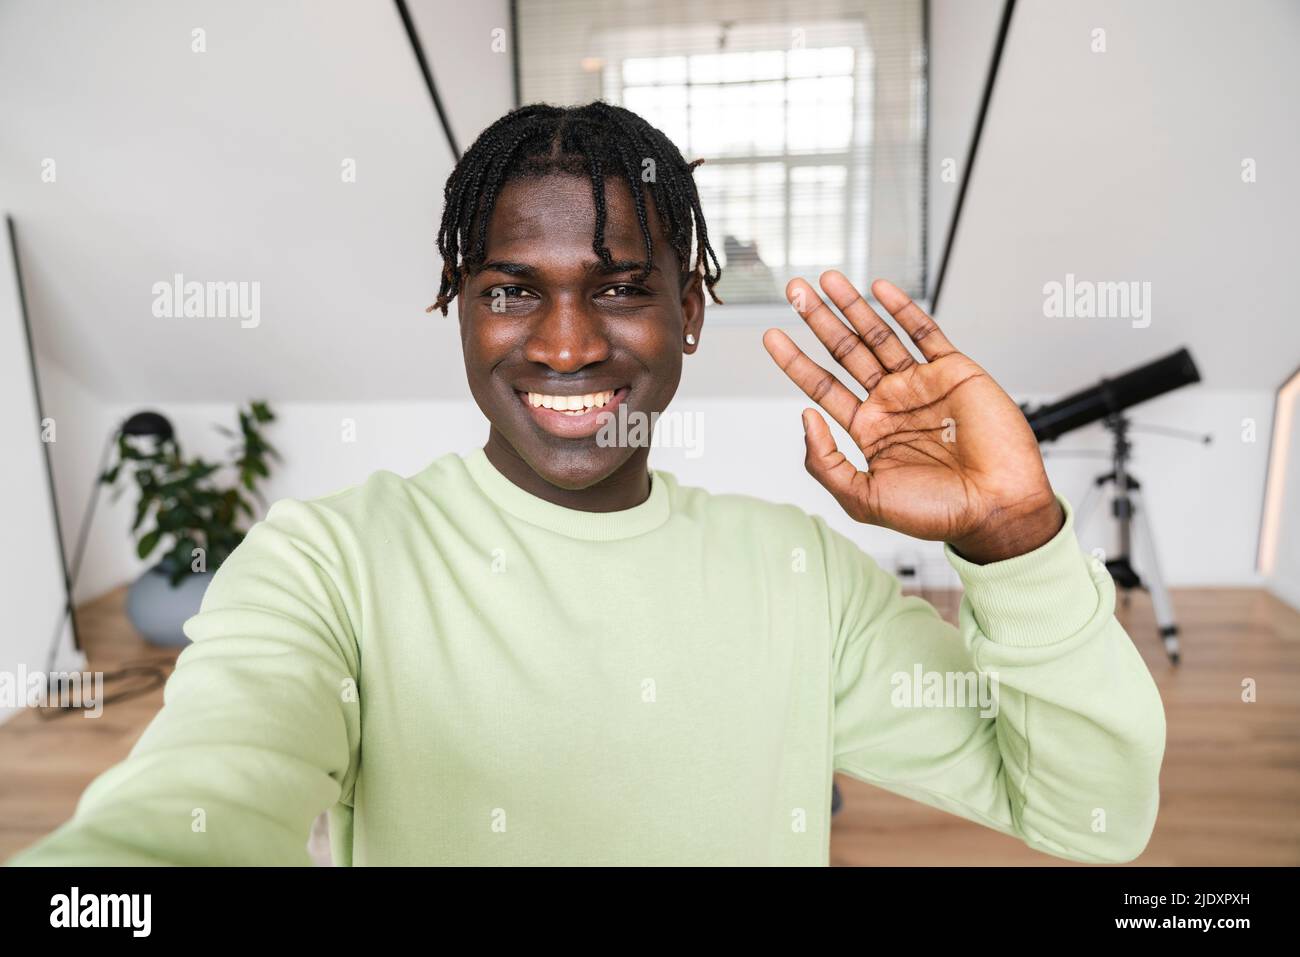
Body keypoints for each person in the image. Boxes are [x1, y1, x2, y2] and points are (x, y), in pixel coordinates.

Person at [8, 102, 1165, 866]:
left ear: (688, 314)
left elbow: (1091, 817)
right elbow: (196, 801)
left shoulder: (801, 575)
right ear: (459, 309)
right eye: (512, 291)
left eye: (618, 288)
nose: (565, 345)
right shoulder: (330, 562)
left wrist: (1014, 533)